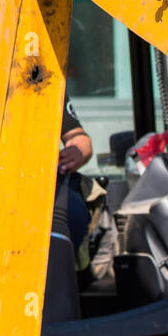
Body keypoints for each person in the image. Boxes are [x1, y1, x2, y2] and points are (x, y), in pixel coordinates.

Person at [58, 98, 93, 252]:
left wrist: (76, 152)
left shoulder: (38, 82)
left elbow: (80, 139)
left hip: (35, 184)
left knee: (73, 209)